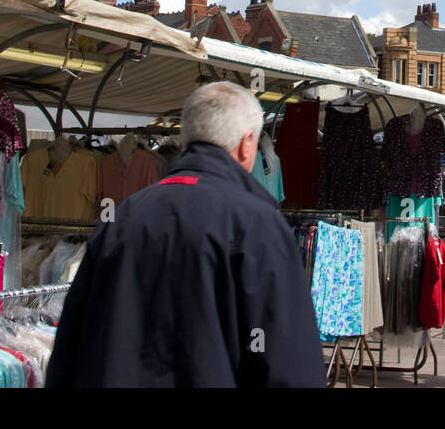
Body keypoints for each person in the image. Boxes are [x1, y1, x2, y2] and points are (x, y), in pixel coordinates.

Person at [45, 82, 325, 387]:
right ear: (247, 144)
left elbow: (70, 345)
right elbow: (286, 359)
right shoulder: (258, 224)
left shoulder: (122, 218)